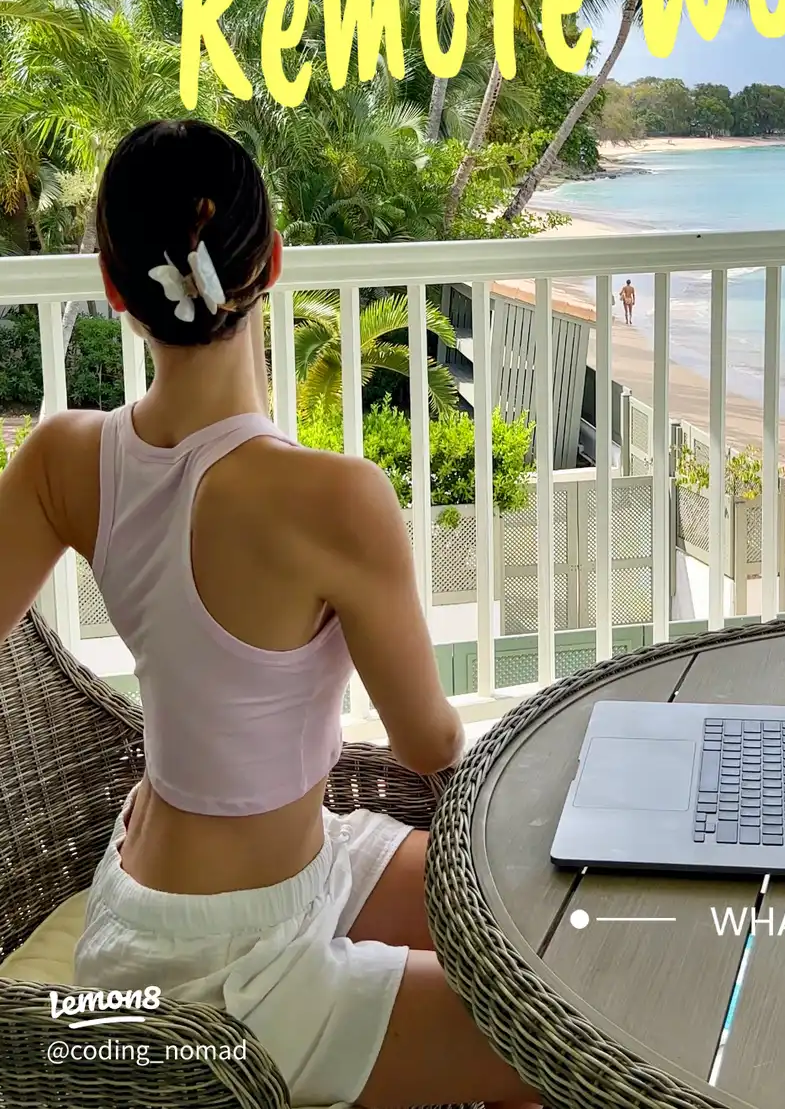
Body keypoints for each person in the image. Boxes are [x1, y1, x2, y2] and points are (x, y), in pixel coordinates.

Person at [0, 120, 541, 1109]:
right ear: (274, 263)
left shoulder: (63, 459)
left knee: (517, 915)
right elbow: (429, 741)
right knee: (544, 1036)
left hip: (170, 902)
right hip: (219, 982)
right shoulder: (334, 498)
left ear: (116, 290)